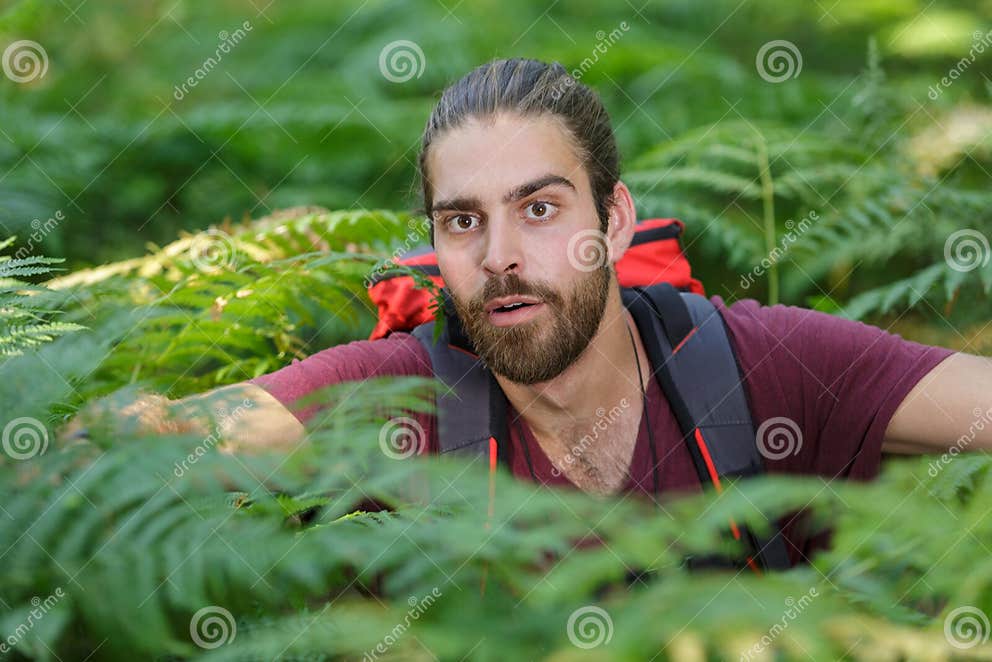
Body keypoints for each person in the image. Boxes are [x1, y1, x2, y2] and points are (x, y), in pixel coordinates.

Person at [64, 58, 992, 565]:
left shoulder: (761, 368)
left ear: (615, 219)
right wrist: (101, 429)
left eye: (540, 209)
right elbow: (167, 444)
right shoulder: (399, 404)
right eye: (464, 220)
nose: (501, 254)